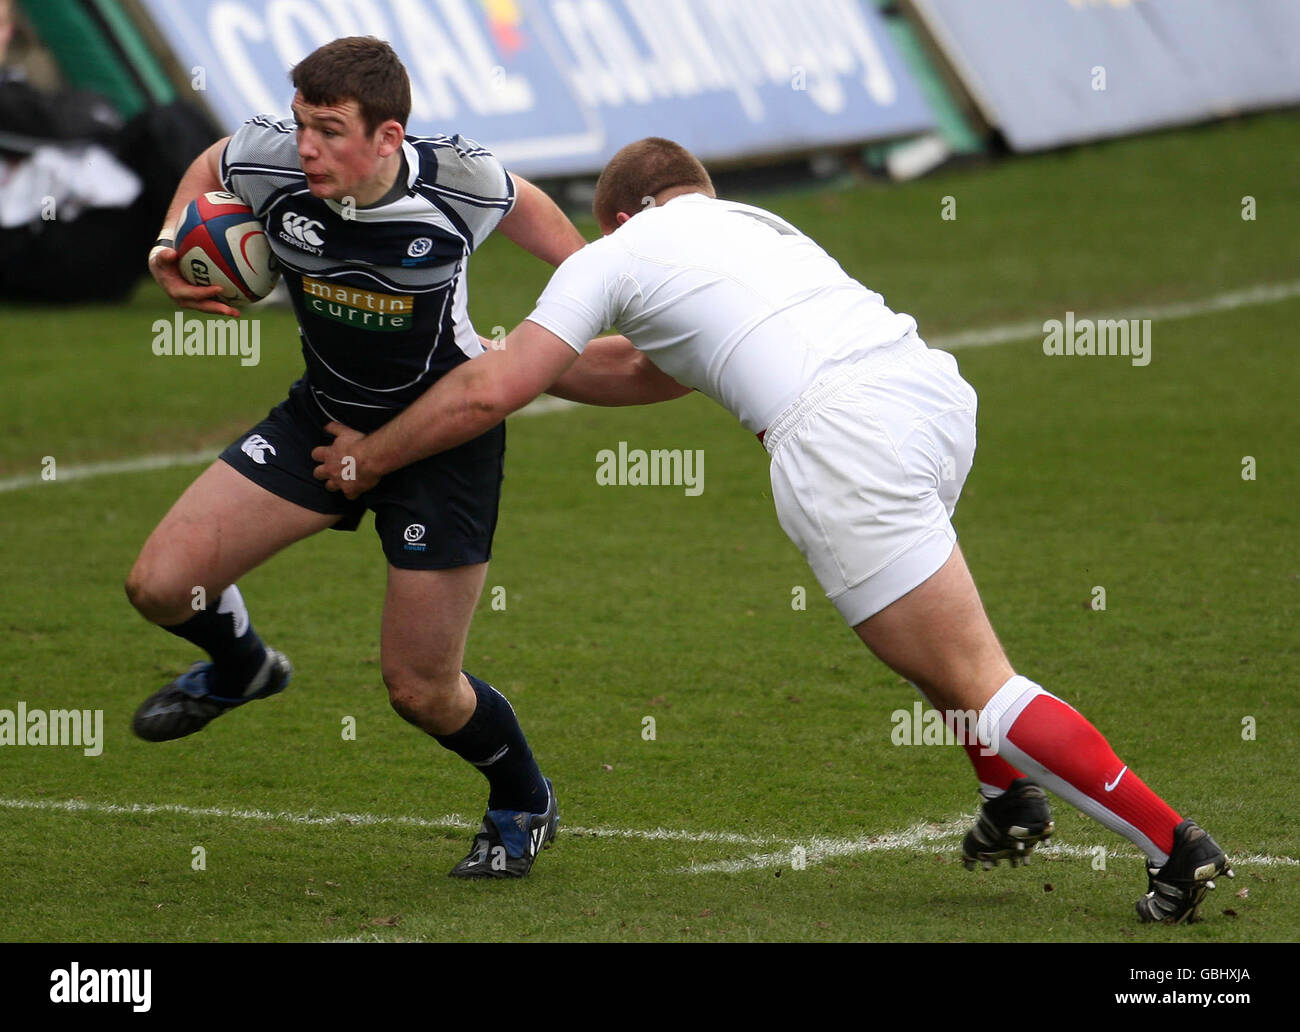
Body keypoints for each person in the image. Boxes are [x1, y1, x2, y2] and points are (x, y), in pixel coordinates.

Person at [311, 137, 1233, 922]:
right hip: (931, 396)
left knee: (975, 675)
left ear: (618, 218)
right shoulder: (754, 225)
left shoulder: (615, 255)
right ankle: (1007, 796)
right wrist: (509, 358)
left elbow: (496, 393)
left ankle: (1172, 845)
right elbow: (649, 370)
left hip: (839, 439)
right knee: (929, 643)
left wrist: (377, 453)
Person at [126, 36, 600, 879]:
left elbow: (584, 267)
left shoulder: (463, 184)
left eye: (331, 130)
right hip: (322, 417)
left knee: (419, 688)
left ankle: (522, 798)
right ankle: (244, 669)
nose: (306, 147)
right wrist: (170, 245)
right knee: (160, 586)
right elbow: (210, 163)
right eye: (304, 124)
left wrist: (537, 341)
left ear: (389, 139)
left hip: (442, 447)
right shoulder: (273, 160)